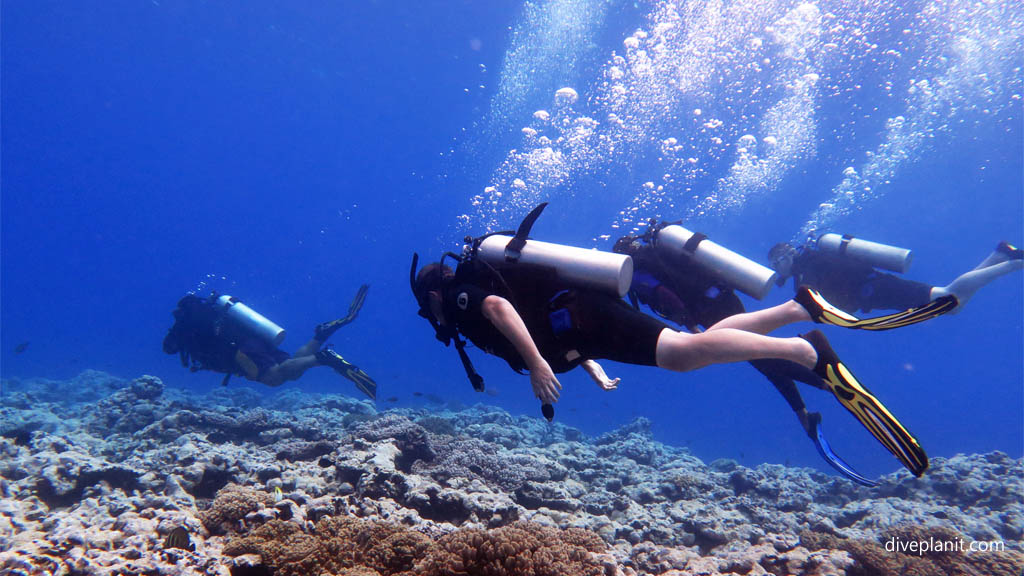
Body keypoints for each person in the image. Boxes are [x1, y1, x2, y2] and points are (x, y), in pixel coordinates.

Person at [411, 204, 928, 477]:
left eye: (424, 303)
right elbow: (539, 322)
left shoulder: (460, 294)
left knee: (683, 355)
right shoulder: (470, 289)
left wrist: (539, 366)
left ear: (434, 291)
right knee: (687, 347)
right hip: (584, 327)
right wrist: (586, 365)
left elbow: (503, 310)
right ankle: (798, 309)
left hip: (588, 319)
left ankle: (803, 347)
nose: (429, 314)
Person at [613, 226, 875, 485]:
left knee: (761, 357)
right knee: (761, 358)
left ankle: (825, 383)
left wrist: (691, 327)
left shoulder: (638, 269)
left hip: (708, 311)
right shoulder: (658, 255)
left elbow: (664, 295)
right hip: (722, 299)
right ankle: (808, 408)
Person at [162, 286, 376, 399]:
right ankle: (319, 336)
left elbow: (168, 348)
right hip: (255, 340)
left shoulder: (185, 323)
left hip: (240, 351)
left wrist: (177, 328)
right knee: (289, 369)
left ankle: (324, 357)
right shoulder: (214, 313)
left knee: (273, 378)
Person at [769, 238, 1023, 330]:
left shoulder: (807, 268)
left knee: (949, 298)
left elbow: (813, 301)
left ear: (785, 257)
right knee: (953, 305)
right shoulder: (812, 259)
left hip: (877, 289)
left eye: (775, 264)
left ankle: (1014, 262)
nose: (776, 271)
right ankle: (1000, 256)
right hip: (876, 288)